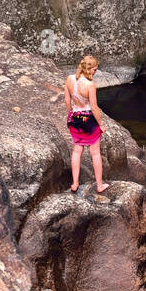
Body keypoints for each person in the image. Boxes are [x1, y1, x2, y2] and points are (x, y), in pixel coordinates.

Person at [64, 55, 108, 193]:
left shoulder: (69, 79)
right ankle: (99, 185)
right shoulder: (90, 85)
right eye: (94, 69)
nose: (95, 72)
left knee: (77, 150)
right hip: (89, 120)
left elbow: (67, 101)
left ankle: (75, 183)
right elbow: (94, 107)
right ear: (89, 69)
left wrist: (71, 114)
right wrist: (100, 124)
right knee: (95, 153)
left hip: (75, 118)